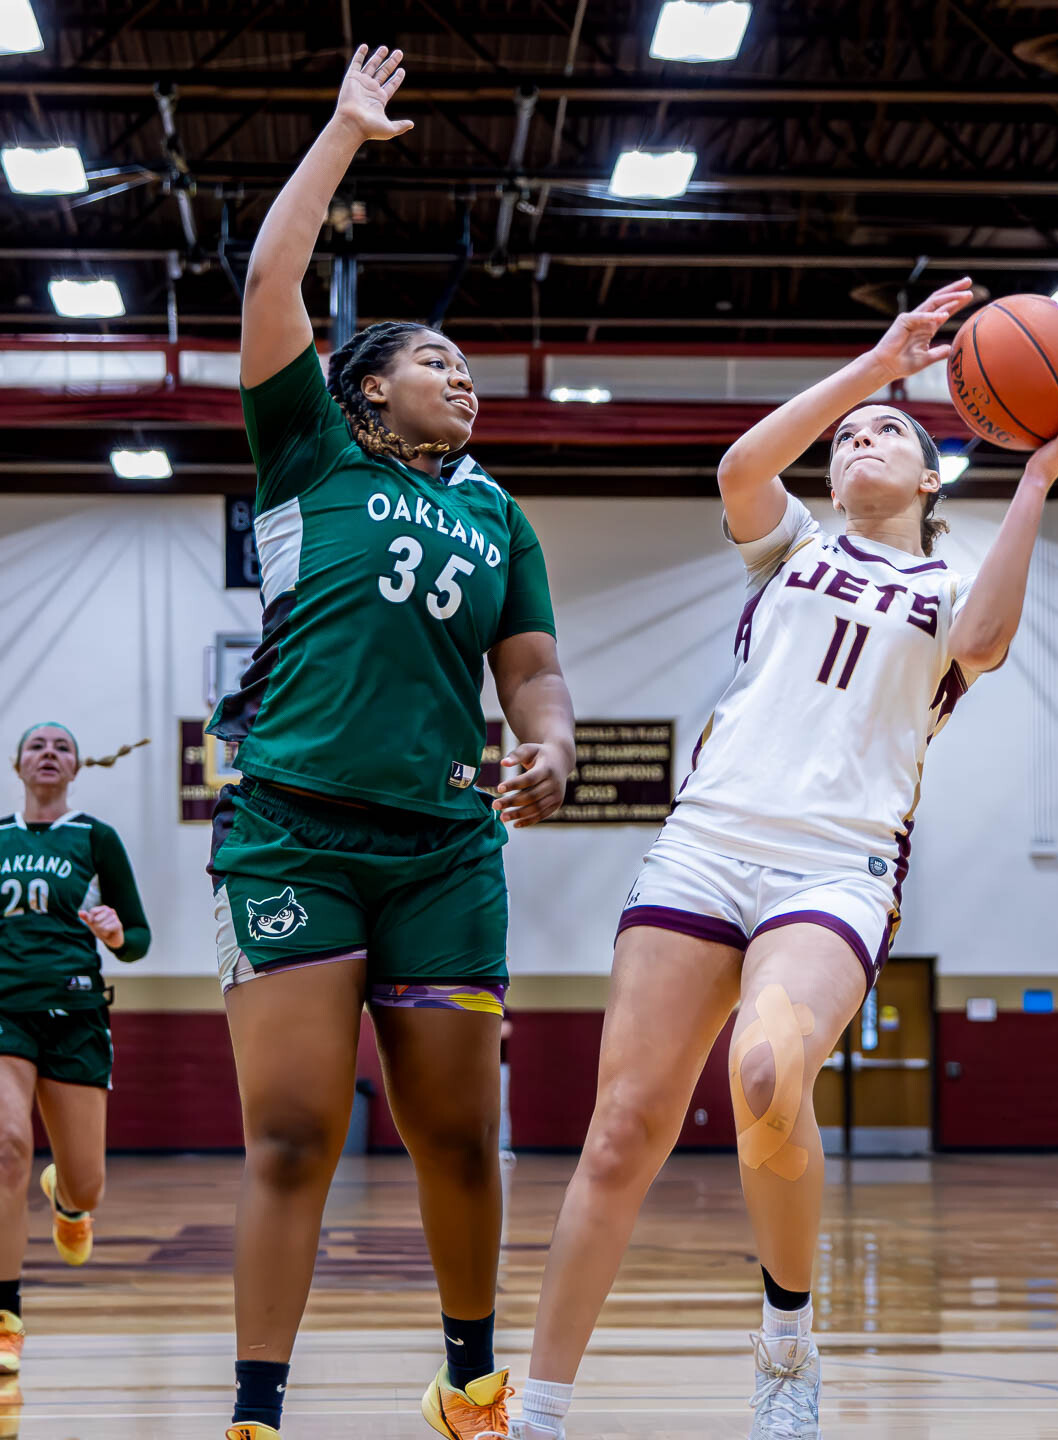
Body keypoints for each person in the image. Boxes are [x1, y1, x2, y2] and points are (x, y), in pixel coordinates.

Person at [502, 280, 1058, 1440]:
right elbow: (742, 466)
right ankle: (540, 1409)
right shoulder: (784, 550)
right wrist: (876, 368)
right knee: (623, 1129)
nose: (859, 441)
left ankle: (786, 1336)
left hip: (835, 868)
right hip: (705, 847)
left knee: (769, 1074)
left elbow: (983, 642)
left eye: (886, 431)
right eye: (845, 440)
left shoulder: (945, 588)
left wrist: (1035, 476)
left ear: (934, 478)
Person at [208, 43, 575, 1440]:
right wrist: (345, 137)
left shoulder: (497, 517)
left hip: (442, 846)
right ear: (365, 390)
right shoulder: (306, 448)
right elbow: (267, 285)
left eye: (470, 364)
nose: (463, 378)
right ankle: (258, 1409)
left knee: (456, 1135)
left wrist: (547, 748)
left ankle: (470, 1381)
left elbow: (532, 668)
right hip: (295, 824)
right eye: (436, 359)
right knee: (295, 1134)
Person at [0, 723, 151, 1381]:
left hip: (77, 1014)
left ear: (76, 766)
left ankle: (69, 1200)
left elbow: (138, 936)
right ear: (18, 764)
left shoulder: (95, 838)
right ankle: (6, 1322)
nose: (50, 753)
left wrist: (118, 934)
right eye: (38, 745)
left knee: (87, 1178)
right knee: (6, 1149)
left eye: (62, 746)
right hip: (6, 1012)